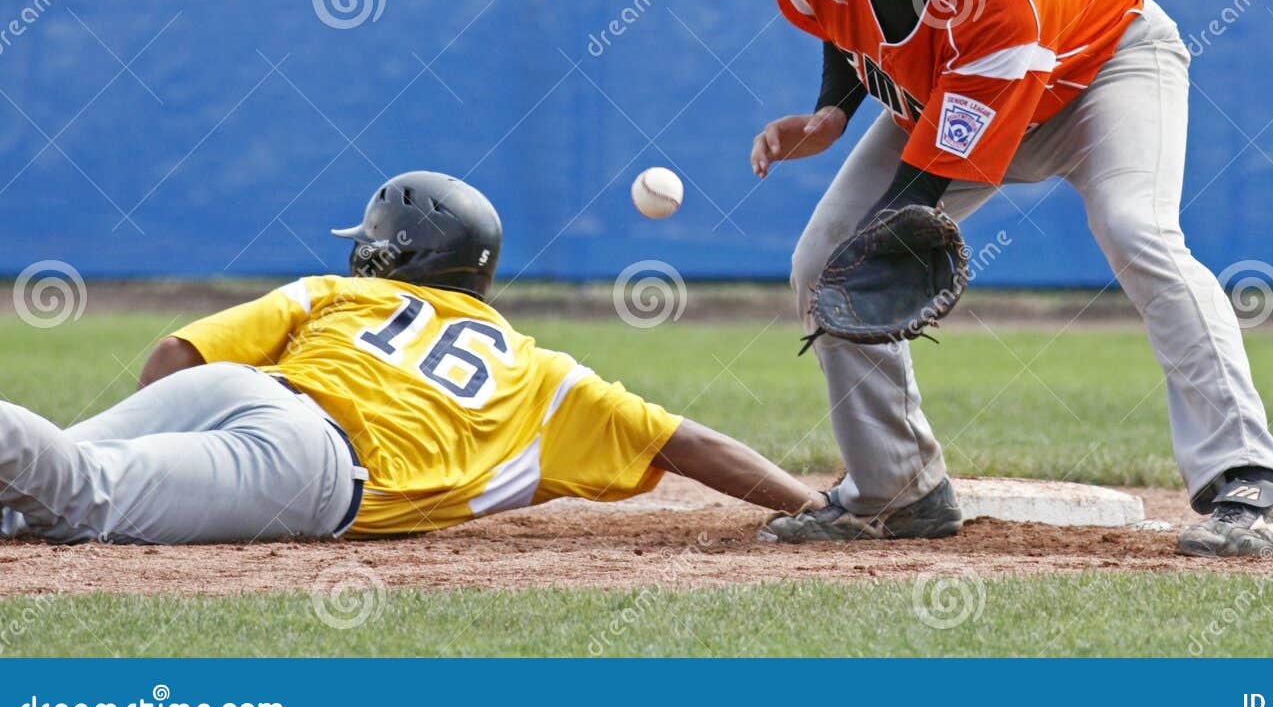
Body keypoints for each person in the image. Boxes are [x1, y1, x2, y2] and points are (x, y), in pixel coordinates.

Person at [750, 0, 1273, 557]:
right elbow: (849, 24)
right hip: (956, 87)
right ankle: (896, 489)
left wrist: (885, 237)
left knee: (1134, 227)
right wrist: (829, 114)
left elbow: (920, 190)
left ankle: (1253, 481)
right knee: (821, 262)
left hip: (1102, 71)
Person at [0, 170, 824, 544]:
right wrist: (811, 506)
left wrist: (177, 441)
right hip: (309, 463)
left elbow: (174, 354)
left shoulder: (337, 291)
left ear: (387, 259)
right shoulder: (544, 374)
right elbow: (693, 445)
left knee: (48, 489)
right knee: (86, 503)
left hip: (233, 385)